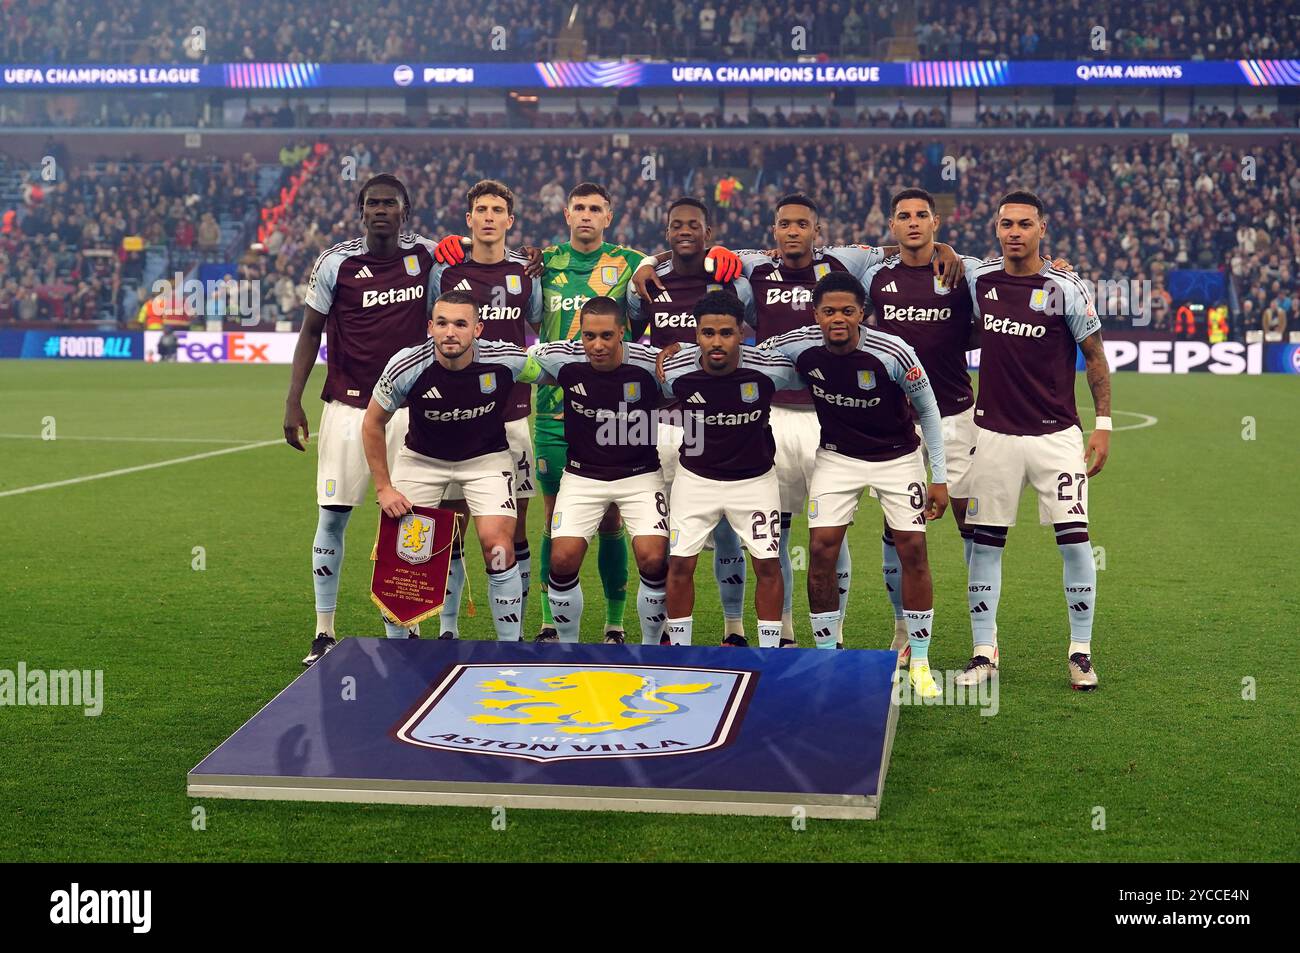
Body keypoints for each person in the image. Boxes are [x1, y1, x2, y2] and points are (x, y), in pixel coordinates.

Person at [762, 271, 948, 696]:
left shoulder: (893, 351)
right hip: (837, 457)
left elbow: (929, 411)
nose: (838, 319)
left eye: (848, 311)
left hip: (898, 458)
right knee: (821, 548)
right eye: (829, 311)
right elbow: (746, 356)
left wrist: (941, 477)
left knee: (913, 548)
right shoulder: (797, 345)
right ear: (816, 314)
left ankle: (918, 659)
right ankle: (828, 654)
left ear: (862, 313)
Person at [957, 190, 1111, 691]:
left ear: (1041, 229)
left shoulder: (1066, 286)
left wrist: (1103, 427)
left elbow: (1095, 356)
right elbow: (936, 259)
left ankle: (1081, 651)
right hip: (994, 435)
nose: (1015, 232)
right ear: (996, 229)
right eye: (1007, 224)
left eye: (1025, 224)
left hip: (1056, 436)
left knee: (1075, 542)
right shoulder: (979, 278)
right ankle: (984, 652)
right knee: (986, 544)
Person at [283, 173, 437, 666]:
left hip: (411, 409)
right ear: (361, 209)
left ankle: (403, 627)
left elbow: (479, 263)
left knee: (408, 519)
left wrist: (527, 260)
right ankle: (323, 631)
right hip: (348, 407)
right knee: (333, 515)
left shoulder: (429, 255)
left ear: (405, 210)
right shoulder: (336, 262)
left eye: (389, 203)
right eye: (372, 203)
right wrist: (293, 400)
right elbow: (310, 332)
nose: (380, 211)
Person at [364, 291, 531, 643]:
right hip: (422, 460)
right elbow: (372, 423)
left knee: (498, 546)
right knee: (403, 555)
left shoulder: (505, 359)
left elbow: (555, 370)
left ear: (478, 329)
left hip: (485, 459)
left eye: (460, 323)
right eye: (441, 323)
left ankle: (509, 646)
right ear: (430, 327)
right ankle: (401, 647)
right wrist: (384, 487)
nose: (450, 332)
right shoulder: (406, 366)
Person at [627, 197, 755, 642]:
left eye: (694, 225)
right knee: (665, 535)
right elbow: (629, 336)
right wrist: (648, 263)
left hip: (719, 421)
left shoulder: (729, 277)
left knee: (725, 531)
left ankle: (734, 627)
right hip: (662, 423)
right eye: (676, 224)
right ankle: (664, 631)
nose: (685, 231)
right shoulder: (648, 282)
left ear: (709, 233)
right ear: (666, 233)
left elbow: (752, 332)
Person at [425, 179, 542, 641]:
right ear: (469, 219)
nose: (489, 217)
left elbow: (537, 323)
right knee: (452, 524)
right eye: (481, 209)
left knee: (513, 530)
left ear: (510, 221)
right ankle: (448, 628)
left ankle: (524, 626)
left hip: (512, 416)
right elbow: (430, 331)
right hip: (459, 419)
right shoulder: (447, 270)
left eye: (498, 210)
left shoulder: (526, 273)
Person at [658, 290, 802, 648]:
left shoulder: (771, 368)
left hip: (755, 482)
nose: (717, 342)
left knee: (768, 565)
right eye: (708, 333)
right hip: (695, 480)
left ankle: (769, 652)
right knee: (679, 565)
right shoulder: (674, 369)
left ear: (742, 333)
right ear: (696, 335)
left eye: (726, 333)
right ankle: (679, 652)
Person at [525, 297, 668, 645]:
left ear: (622, 333)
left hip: (640, 475)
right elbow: (511, 360)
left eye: (606, 335)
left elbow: (698, 367)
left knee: (653, 559)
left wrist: (677, 347)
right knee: (561, 559)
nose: (597, 345)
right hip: (582, 476)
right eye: (589, 336)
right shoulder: (563, 361)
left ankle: (652, 648)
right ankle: (569, 645)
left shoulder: (652, 364)